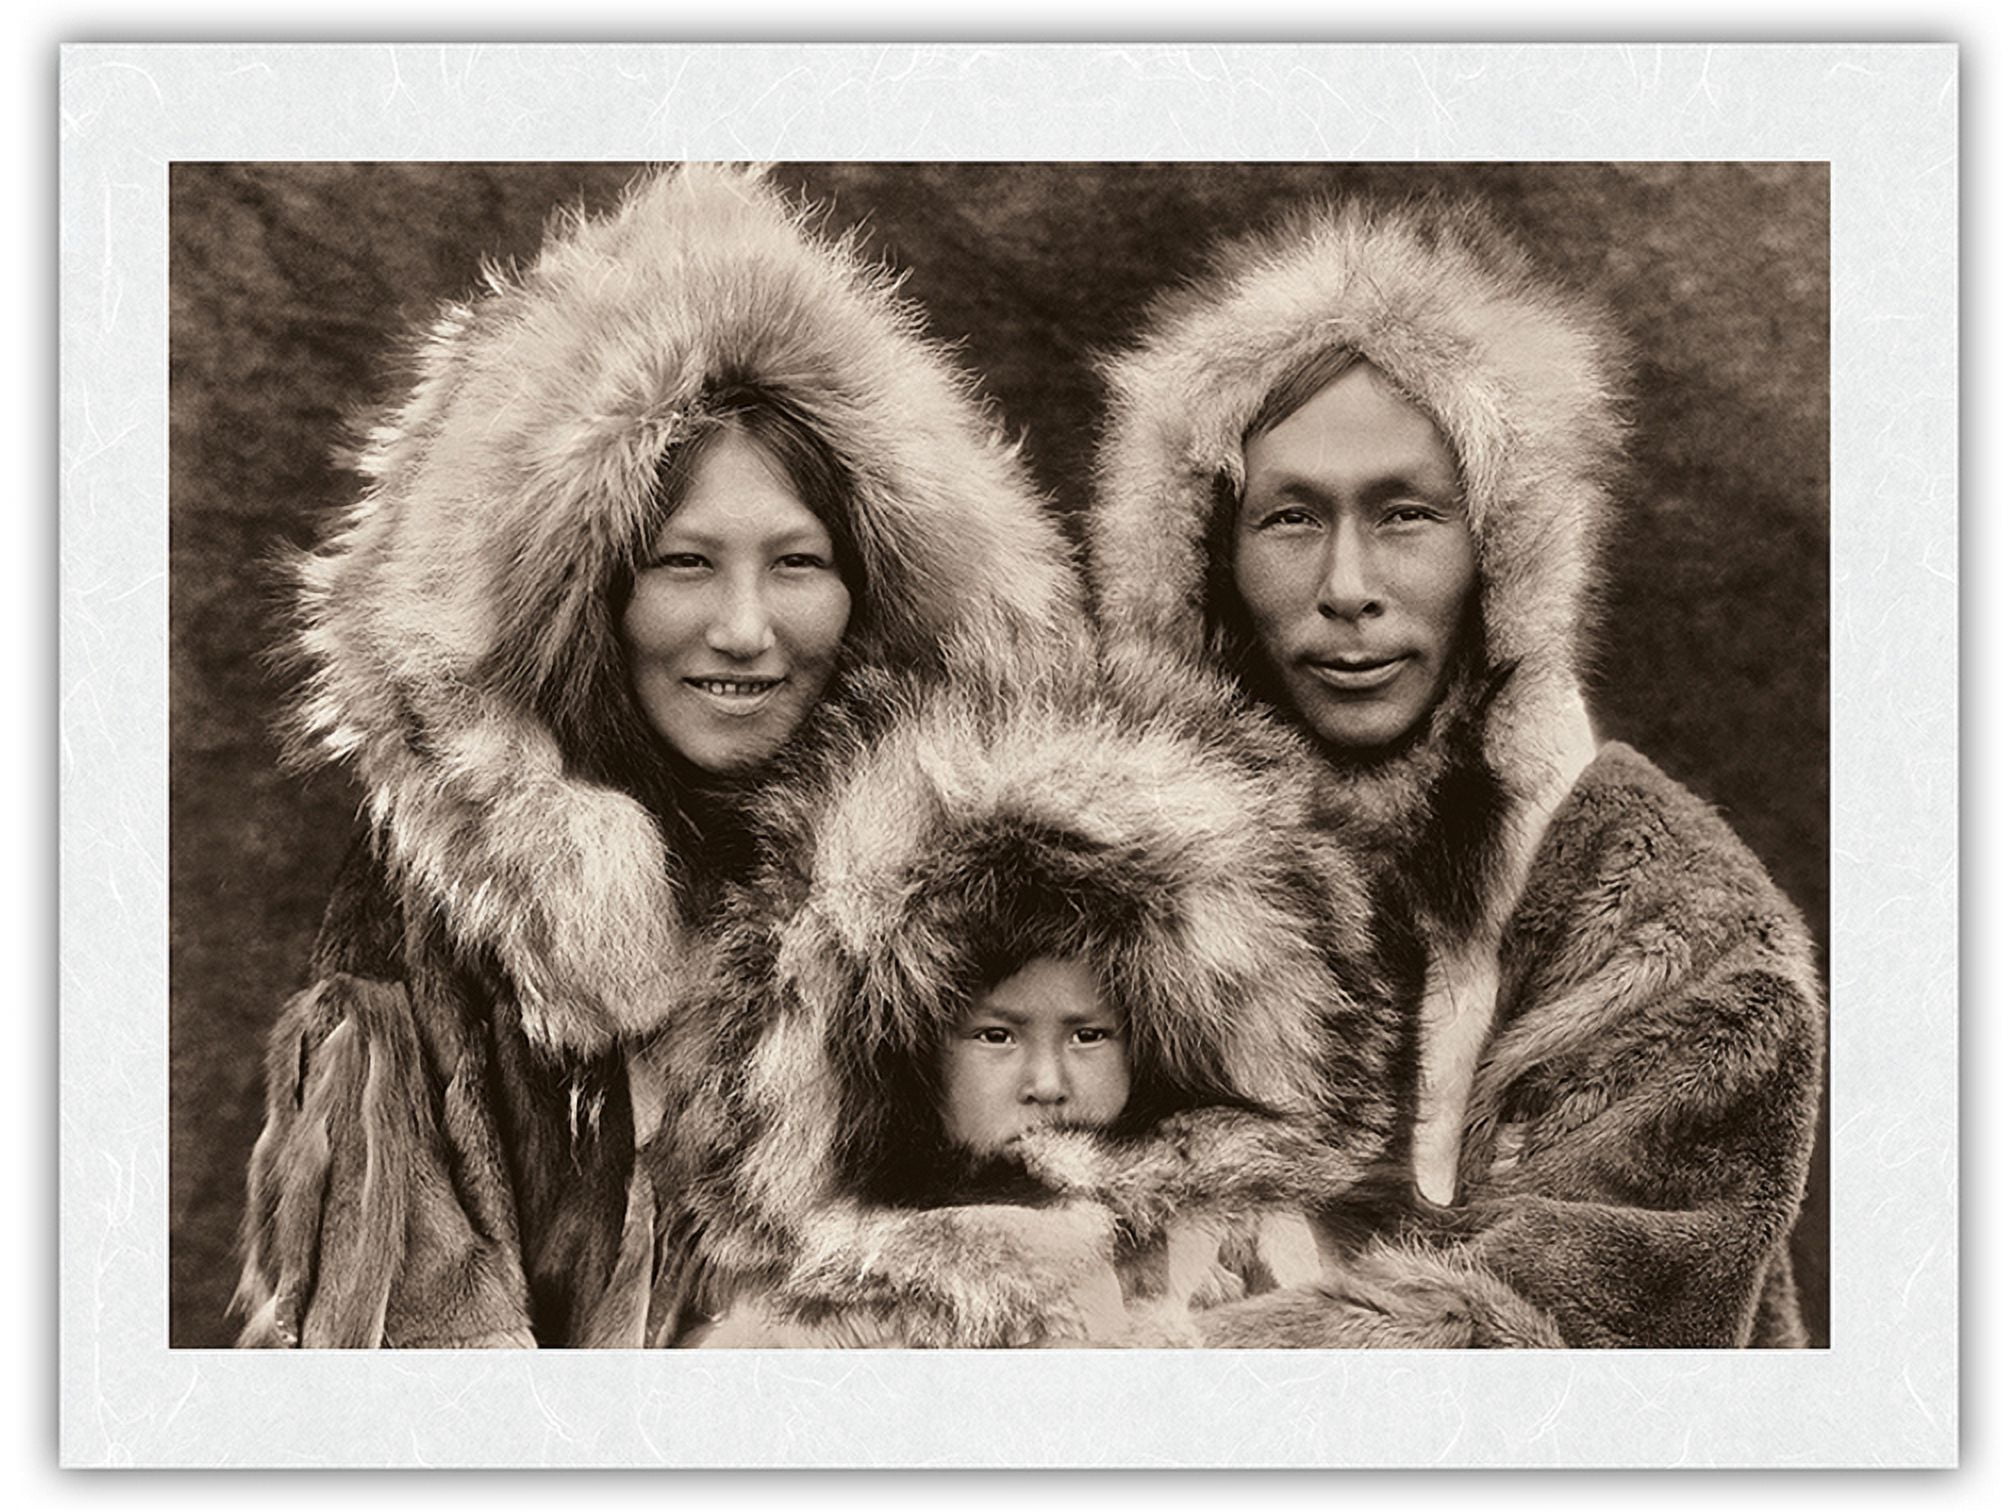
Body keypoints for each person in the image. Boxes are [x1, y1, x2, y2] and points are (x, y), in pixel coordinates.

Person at [231, 164, 1084, 1347]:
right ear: (593, 599)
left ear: (872, 590)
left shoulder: (989, 897)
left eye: (798, 564)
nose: (745, 629)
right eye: (685, 564)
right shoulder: (449, 917)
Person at [1089, 195, 1826, 1347]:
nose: (1348, 586)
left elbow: (1590, 1357)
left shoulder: (1686, 931)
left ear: (1501, 554)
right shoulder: (1102, 876)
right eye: (1290, 518)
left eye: (1407, 514)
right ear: (1207, 558)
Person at [641, 672, 1426, 1348]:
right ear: (911, 1061)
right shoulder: (813, 1305)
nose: (1047, 1081)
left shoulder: (1238, 1254)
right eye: (995, 1035)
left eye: (1089, 1034)